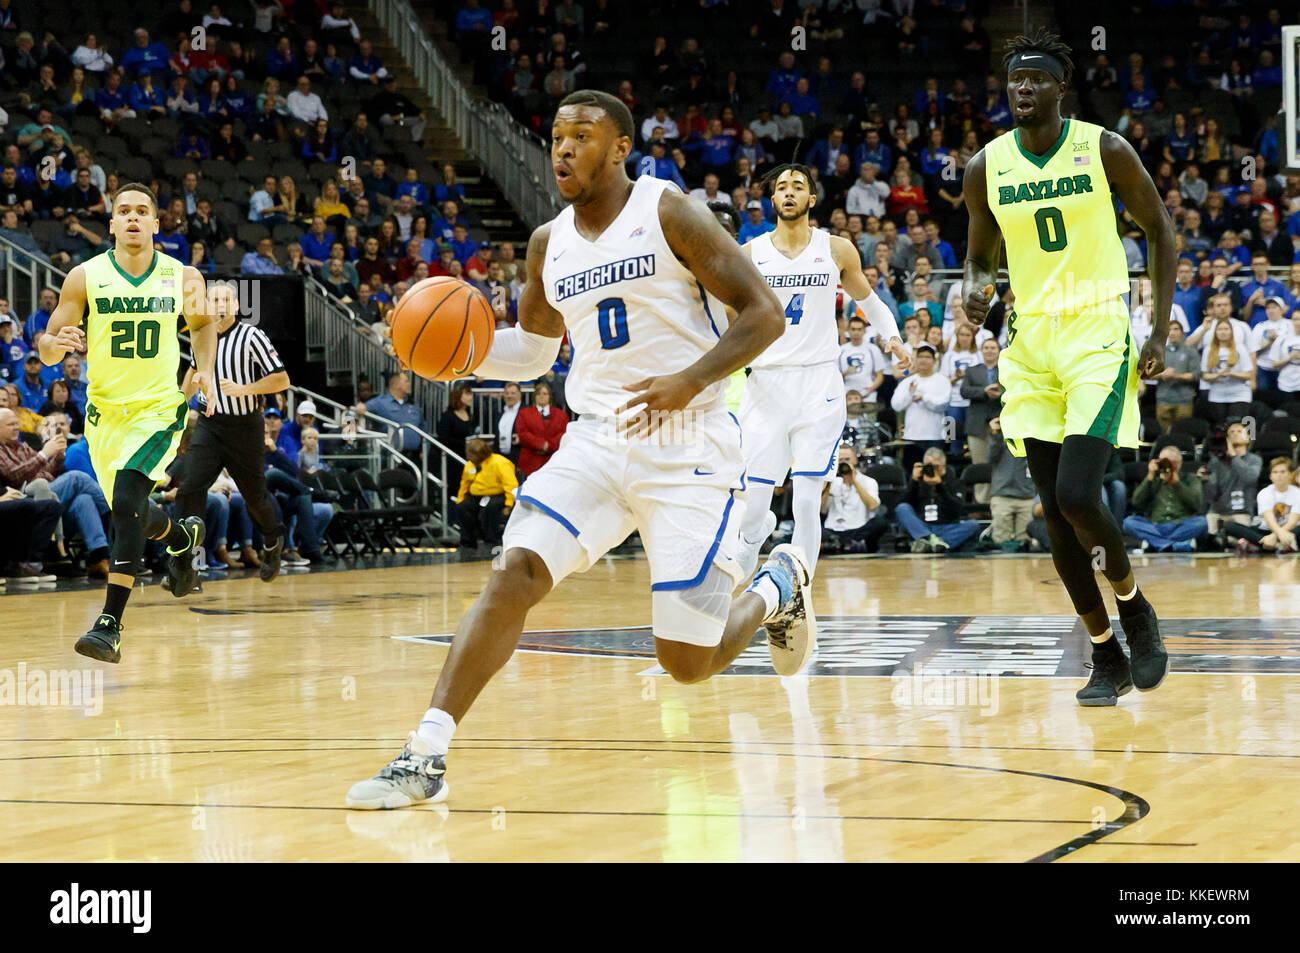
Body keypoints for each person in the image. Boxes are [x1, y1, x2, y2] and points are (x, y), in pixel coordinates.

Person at [347, 89, 807, 810]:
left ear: (620, 146)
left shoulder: (668, 211)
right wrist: (455, 356)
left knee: (686, 662)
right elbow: (531, 353)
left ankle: (778, 583)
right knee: (513, 572)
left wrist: (690, 378)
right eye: (557, 137)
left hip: (687, 445)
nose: (563, 149)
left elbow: (765, 313)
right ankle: (425, 752)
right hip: (595, 439)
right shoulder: (547, 244)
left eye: (582, 137)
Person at [963, 30, 1173, 707]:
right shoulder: (984, 166)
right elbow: (978, 254)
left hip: (1096, 330)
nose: (1021, 89)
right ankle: (1104, 653)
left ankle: (1136, 609)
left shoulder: (1103, 148)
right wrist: (974, 286)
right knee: (1054, 518)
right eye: (1014, 81)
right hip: (1030, 338)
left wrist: (1161, 326)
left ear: (1060, 88)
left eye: (1035, 80)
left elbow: (1161, 231)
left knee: (1080, 495)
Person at [38, 182, 217, 662]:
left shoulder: (183, 277)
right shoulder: (84, 276)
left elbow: (202, 326)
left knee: (127, 500)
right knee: (130, 512)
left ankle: (109, 623)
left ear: (157, 224)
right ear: (111, 224)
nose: (133, 218)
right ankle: (182, 537)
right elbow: (47, 343)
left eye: (143, 211)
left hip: (158, 409)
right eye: (124, 211)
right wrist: (57, 346)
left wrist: (207, 373)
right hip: (103, 416)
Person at [734, 162, 907, 582]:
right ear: (772, 200)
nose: (789, 192)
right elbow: (727, 316)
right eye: (782, 187)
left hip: (819, 384)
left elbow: (870, 302)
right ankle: (732, 586)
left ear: (811, 200)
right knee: (754, 506)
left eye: (798, 186)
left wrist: (893, 337)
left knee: (807, 499)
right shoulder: (749, 254)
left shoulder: (837, 249)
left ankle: (800, 594)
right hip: (766, 384)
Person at [176, 283, 287, 578]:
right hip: (210, 425)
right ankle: (184, 560)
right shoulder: (199, 335)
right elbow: (192, 370)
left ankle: (274, 539)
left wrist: (245, 389)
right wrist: (177, 407)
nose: (220, 303)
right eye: (214, 299)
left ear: (237, 305)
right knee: (189, 489)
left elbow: (282, 379)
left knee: (254, 497)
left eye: (226, 299)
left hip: (245, 427)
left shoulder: (252, 336)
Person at [895, 446, 981, 554]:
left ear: (943, 466)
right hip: (922, 526)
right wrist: (914, 481)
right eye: (928, 466)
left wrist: (940, 486)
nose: (931, 469)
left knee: (973, 525)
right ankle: (931, 540)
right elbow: (903, 504)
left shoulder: (954, 482)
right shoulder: (918, 481)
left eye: (935, 466)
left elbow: (958, 509)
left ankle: (933, 544)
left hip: (946, 527)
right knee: (902, 508)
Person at [1122, 446, 1207, 552]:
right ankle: (1174, 544)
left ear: (1179, 463)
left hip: (1181, 525)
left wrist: (1177, 484)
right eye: (1164, 461)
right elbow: (1136, 503)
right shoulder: (1153, 480)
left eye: (1172, 462)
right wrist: (1150, 476)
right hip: (1155, 525)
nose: (1168, 465)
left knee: (1202, 522)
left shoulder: (1190, 479)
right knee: (1128, 522)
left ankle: (1156, 543)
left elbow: (1196, 504)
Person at [888, 342, 949, 469]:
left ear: (934, 361)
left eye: (927, 357)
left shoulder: (942, 380)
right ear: (915, 360)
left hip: (935, 435)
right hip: (911, 436)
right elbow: (896, 405)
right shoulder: (907, 381)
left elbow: (942, 404)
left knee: (934, 473)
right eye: (920, 357)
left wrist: (924, 398)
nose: (923, 360)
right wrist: (910, 395)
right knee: (912, 473)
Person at [1223, 457, 1300, 554]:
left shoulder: (1297, 493)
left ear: (1289, 475)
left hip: (1290, 531)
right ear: (1270, 476)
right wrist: (1276, 535)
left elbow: (1293, 522)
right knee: (1230, 526)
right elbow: (1269, 520)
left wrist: (1274, 536)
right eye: (1275, 472)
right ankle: (1278, 546)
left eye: (1282, 472)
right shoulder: (1264, 493)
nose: (1279, 475)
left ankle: (1261, 545)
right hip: (1267, 530)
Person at [1200, 420, 1261, 542]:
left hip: (1241, 513)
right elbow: (1210, 496)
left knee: (1237, 540)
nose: (1235, 433)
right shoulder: (1216, 462)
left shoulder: (1254, 459)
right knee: (1208, 532)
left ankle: (1229, 541)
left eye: (1239, 431)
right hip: (1219, 513)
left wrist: (1234, 457)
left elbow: (1250, 477)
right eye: (1231, 432)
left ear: (1248, 439)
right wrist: (1206, 481)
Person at [452, 437, 517, 549]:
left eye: (473, 455)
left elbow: (511, 485)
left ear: (482, 453)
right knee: (462, 507)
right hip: (476, 496)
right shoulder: (470, 465)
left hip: (497, 494)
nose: (470, 458)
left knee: (491, 507)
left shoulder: (500, 463)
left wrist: (509, 504)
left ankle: (491, 541)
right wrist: (460, 500)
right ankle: (467, 542)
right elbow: (464, 485)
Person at [820, 444, 887, 554]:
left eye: (847, 459)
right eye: (840, 460)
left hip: (858, 528)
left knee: (880, 523)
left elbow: (873, 506)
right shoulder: (831, 483)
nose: (844, 463)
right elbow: (822, 510)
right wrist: (828, 483)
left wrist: (854, 481)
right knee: (814, 527)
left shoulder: (868, 481)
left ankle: (842, 544)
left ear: (855, 460)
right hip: (833, 529)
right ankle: (846, 544)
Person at [986, 416, 1036, 546]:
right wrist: (995, 434)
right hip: (1002, 495)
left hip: (1027, 496)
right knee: (1001, 542)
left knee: (1025, 542)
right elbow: (990, 457)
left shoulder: (1036, 439)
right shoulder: (1001, 439)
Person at [514, 380, 568, 477]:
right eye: (538, 394)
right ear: (534, 396)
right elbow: (523, 433)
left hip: (553, 460)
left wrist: (549, 445)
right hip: (530, 462)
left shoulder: (561, 414)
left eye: (545, 394)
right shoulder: (524, 413)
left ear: (550, 396)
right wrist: (540, 444)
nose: (541, 396)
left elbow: (564, 433)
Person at [1152, 320, 1198, 431]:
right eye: (1169, 330)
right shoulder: (1159, 352)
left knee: (1182, 433)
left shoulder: (1190, 351)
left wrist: (1176, 376)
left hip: (1184, 400)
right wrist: (1163, 374)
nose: (1172, 332)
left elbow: (1195, 375)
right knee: (1163, 434)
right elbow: (1148, 374)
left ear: (1182, 332)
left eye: (1176, 329)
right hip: (1163, 399)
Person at [436, 381, 475, 491]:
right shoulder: (448, 416)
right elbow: (443, 438)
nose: (470, 397)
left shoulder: (470, 415)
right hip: (452, 459)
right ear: (458, 396)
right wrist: (463, 443)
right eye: (467, 394)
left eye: (470, 394)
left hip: (466, 458)